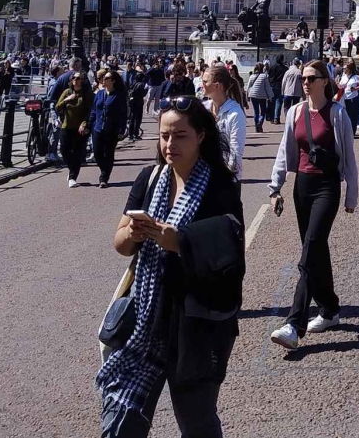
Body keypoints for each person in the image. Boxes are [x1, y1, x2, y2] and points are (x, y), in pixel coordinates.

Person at [98, 97, 244, 437]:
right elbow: (120, 245)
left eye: (180, 135)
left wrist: (179, 241)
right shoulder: (149, 178)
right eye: (164, 135)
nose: (169, 144)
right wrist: (133, 233)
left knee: (197, 423)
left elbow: (231, 253)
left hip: (195, 326)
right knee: (121, 422)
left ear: (201, 137)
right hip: (145, 325)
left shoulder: (222, 185)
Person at [267, 59, 359, 351]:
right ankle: (330, 309)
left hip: (327, 187)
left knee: (311, 249)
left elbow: (350, 158)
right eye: (304, 78)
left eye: (310, 78)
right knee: (315, 249)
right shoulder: (294, 112)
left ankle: (294, 324)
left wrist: (351, 195)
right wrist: (275, 187)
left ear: (324, 81)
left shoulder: (338, 114)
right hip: (302, 187)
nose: (304, 82)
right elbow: (285, 152)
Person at [200, 63, 247, 180]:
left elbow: (236, 151)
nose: (202, 85)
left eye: (205, 82)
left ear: (217, 86)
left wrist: (227, 176)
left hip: (227, 178)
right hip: (204, 176)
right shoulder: (203, 108)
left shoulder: (235, 113)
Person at [90, 70, 128, 188]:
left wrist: (121, 130)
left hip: (112, 130)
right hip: (97, 128)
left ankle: (104, 177)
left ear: (113, 81)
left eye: (106, 78)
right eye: (103, 78)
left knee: (109, 154)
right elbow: (93, 111)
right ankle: (104, 170)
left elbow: (123, 114)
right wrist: (87, 124)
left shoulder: (119, 96)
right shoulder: (99, 94)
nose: (103, 80)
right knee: (97, 153)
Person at [56, 72, 94, 187]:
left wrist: (84, 124)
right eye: (74, 78)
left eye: (79, 78)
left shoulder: (87, 94)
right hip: (67, 126)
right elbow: (58, 107)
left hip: (80, 128)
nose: (76, 80)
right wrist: (67, 99)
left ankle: (72, 177)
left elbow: (91, 110)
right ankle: (71, 169)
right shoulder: (67, 92)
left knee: (77, 153)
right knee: (64, 150)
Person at [246, 63, 273, 134]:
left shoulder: (252, 76)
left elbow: (248, 87)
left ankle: (256, 126)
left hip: (253, 95)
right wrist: (270, 96)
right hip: (262, 96)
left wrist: (247, 96)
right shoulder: (264, 76)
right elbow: (267, 87)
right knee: (263, 111)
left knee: (256, 111)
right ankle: (260, 122)